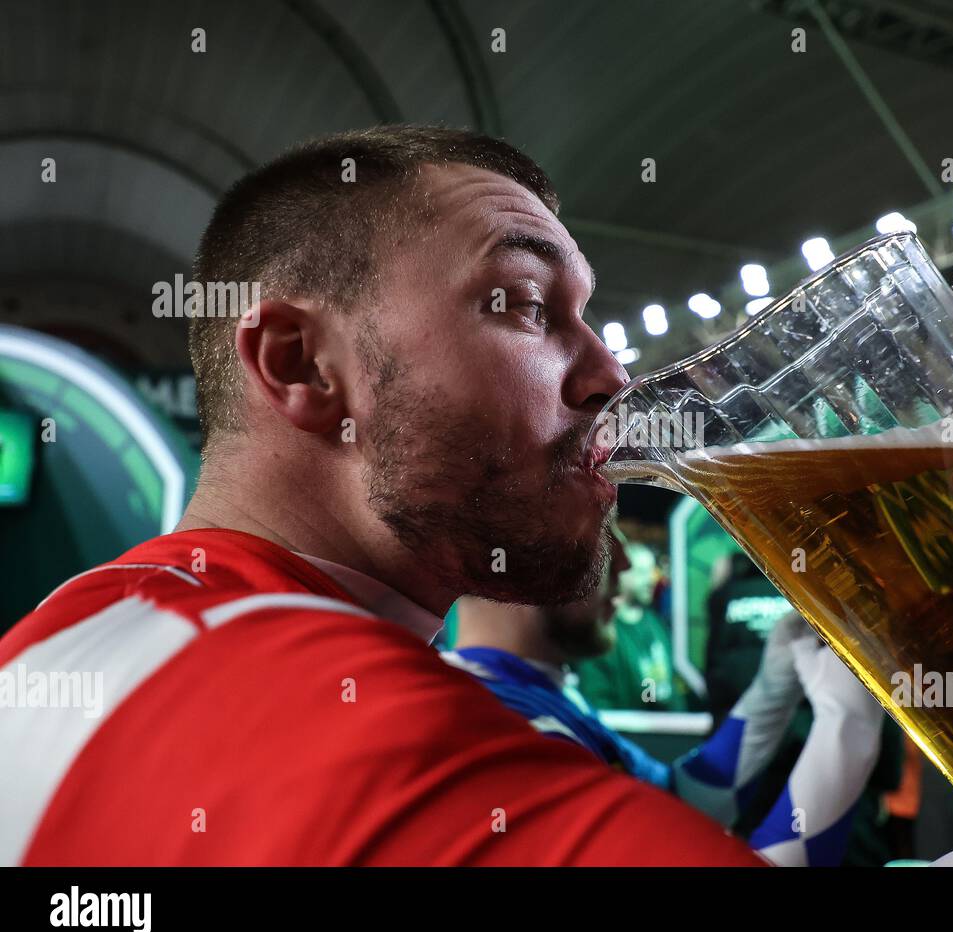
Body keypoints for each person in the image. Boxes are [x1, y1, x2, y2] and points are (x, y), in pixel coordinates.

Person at [0, 125, 772, 865]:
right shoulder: (332, 719)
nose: (612, 377)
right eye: (528, 304)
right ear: (299, 364)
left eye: (586, 314)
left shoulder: (88, 628)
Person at [450, 528, 883, 866]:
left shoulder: (533, 693)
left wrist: (773, 687)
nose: (621, 562)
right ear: (520, 550)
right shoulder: (499, 727)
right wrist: (848, 727)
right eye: (603, 531)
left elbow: (679, 802)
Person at [571, 540, 679, 710]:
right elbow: (598, 699)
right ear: (623, 573)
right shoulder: (603, 631)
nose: (651, 580)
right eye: (642, 572)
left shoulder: (656, 624)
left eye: (652, 571)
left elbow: (670, 687)